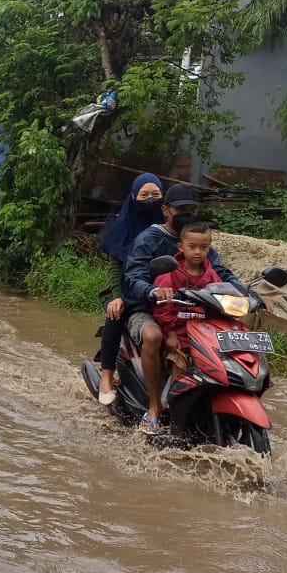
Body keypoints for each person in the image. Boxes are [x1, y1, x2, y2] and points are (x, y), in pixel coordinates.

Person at [120, 184, 251, 434]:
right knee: (153, 336)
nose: (187, 213)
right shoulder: (150, 239)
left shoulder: (200, 242)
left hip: (192, 312)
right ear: (166, 210)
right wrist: (152, 291)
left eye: (191, 209)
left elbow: (221, 274)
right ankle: (155, 406)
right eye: (181, 208)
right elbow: (133, 275)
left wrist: (249, 293)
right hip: (151, 307)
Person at [94, 173, 164, 405]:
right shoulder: (123, 226)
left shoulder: (169, 228)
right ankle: (106, 375)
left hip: (159, 291)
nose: (150, 199)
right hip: (124, 289)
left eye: (156, 194)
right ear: (134, 196)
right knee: (116, 313)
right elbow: (115, 266)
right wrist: (117, 296)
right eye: (144, 195)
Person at [152, 221, 221, 357]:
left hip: (206, 332)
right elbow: (162, 308)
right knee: (179, 364)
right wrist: (171, 334)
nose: (198, 252)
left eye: (203, 247)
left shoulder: (211, 274)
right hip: (179, 333)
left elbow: (221, 295)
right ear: (181, 247)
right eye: (192, 247)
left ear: (209, 248)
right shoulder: (170, 274)